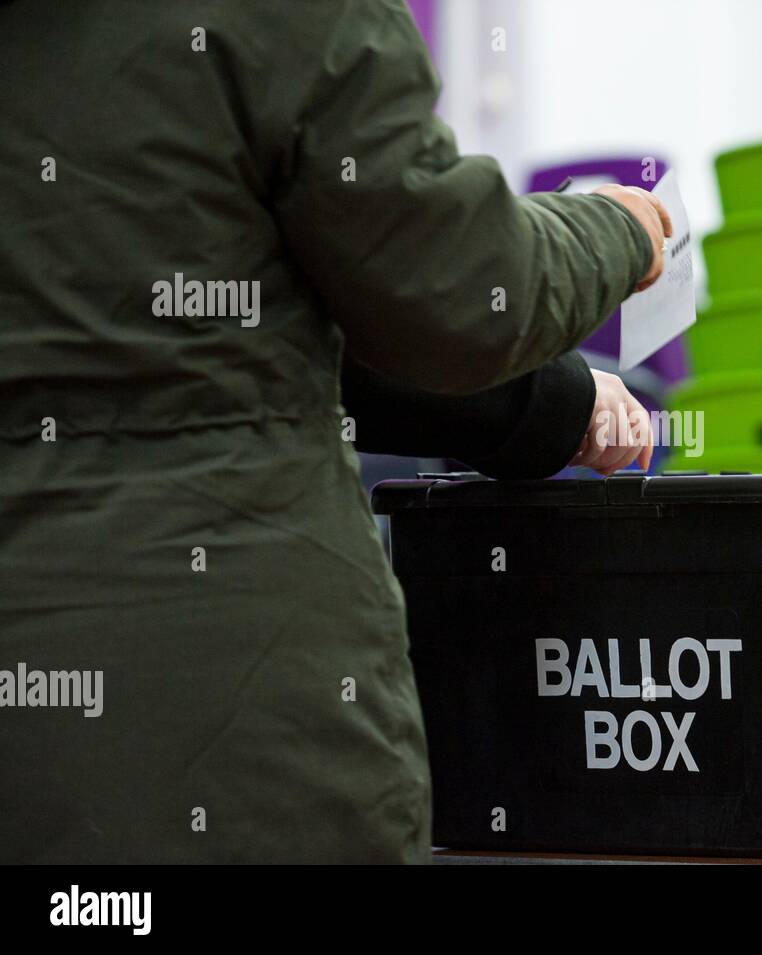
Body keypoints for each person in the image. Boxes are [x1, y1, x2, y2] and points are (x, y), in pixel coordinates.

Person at [0, 0, 668, 862]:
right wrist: (618, 227)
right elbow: (456, 289)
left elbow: (245, 328)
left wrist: (554, 407)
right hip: (234, 707)